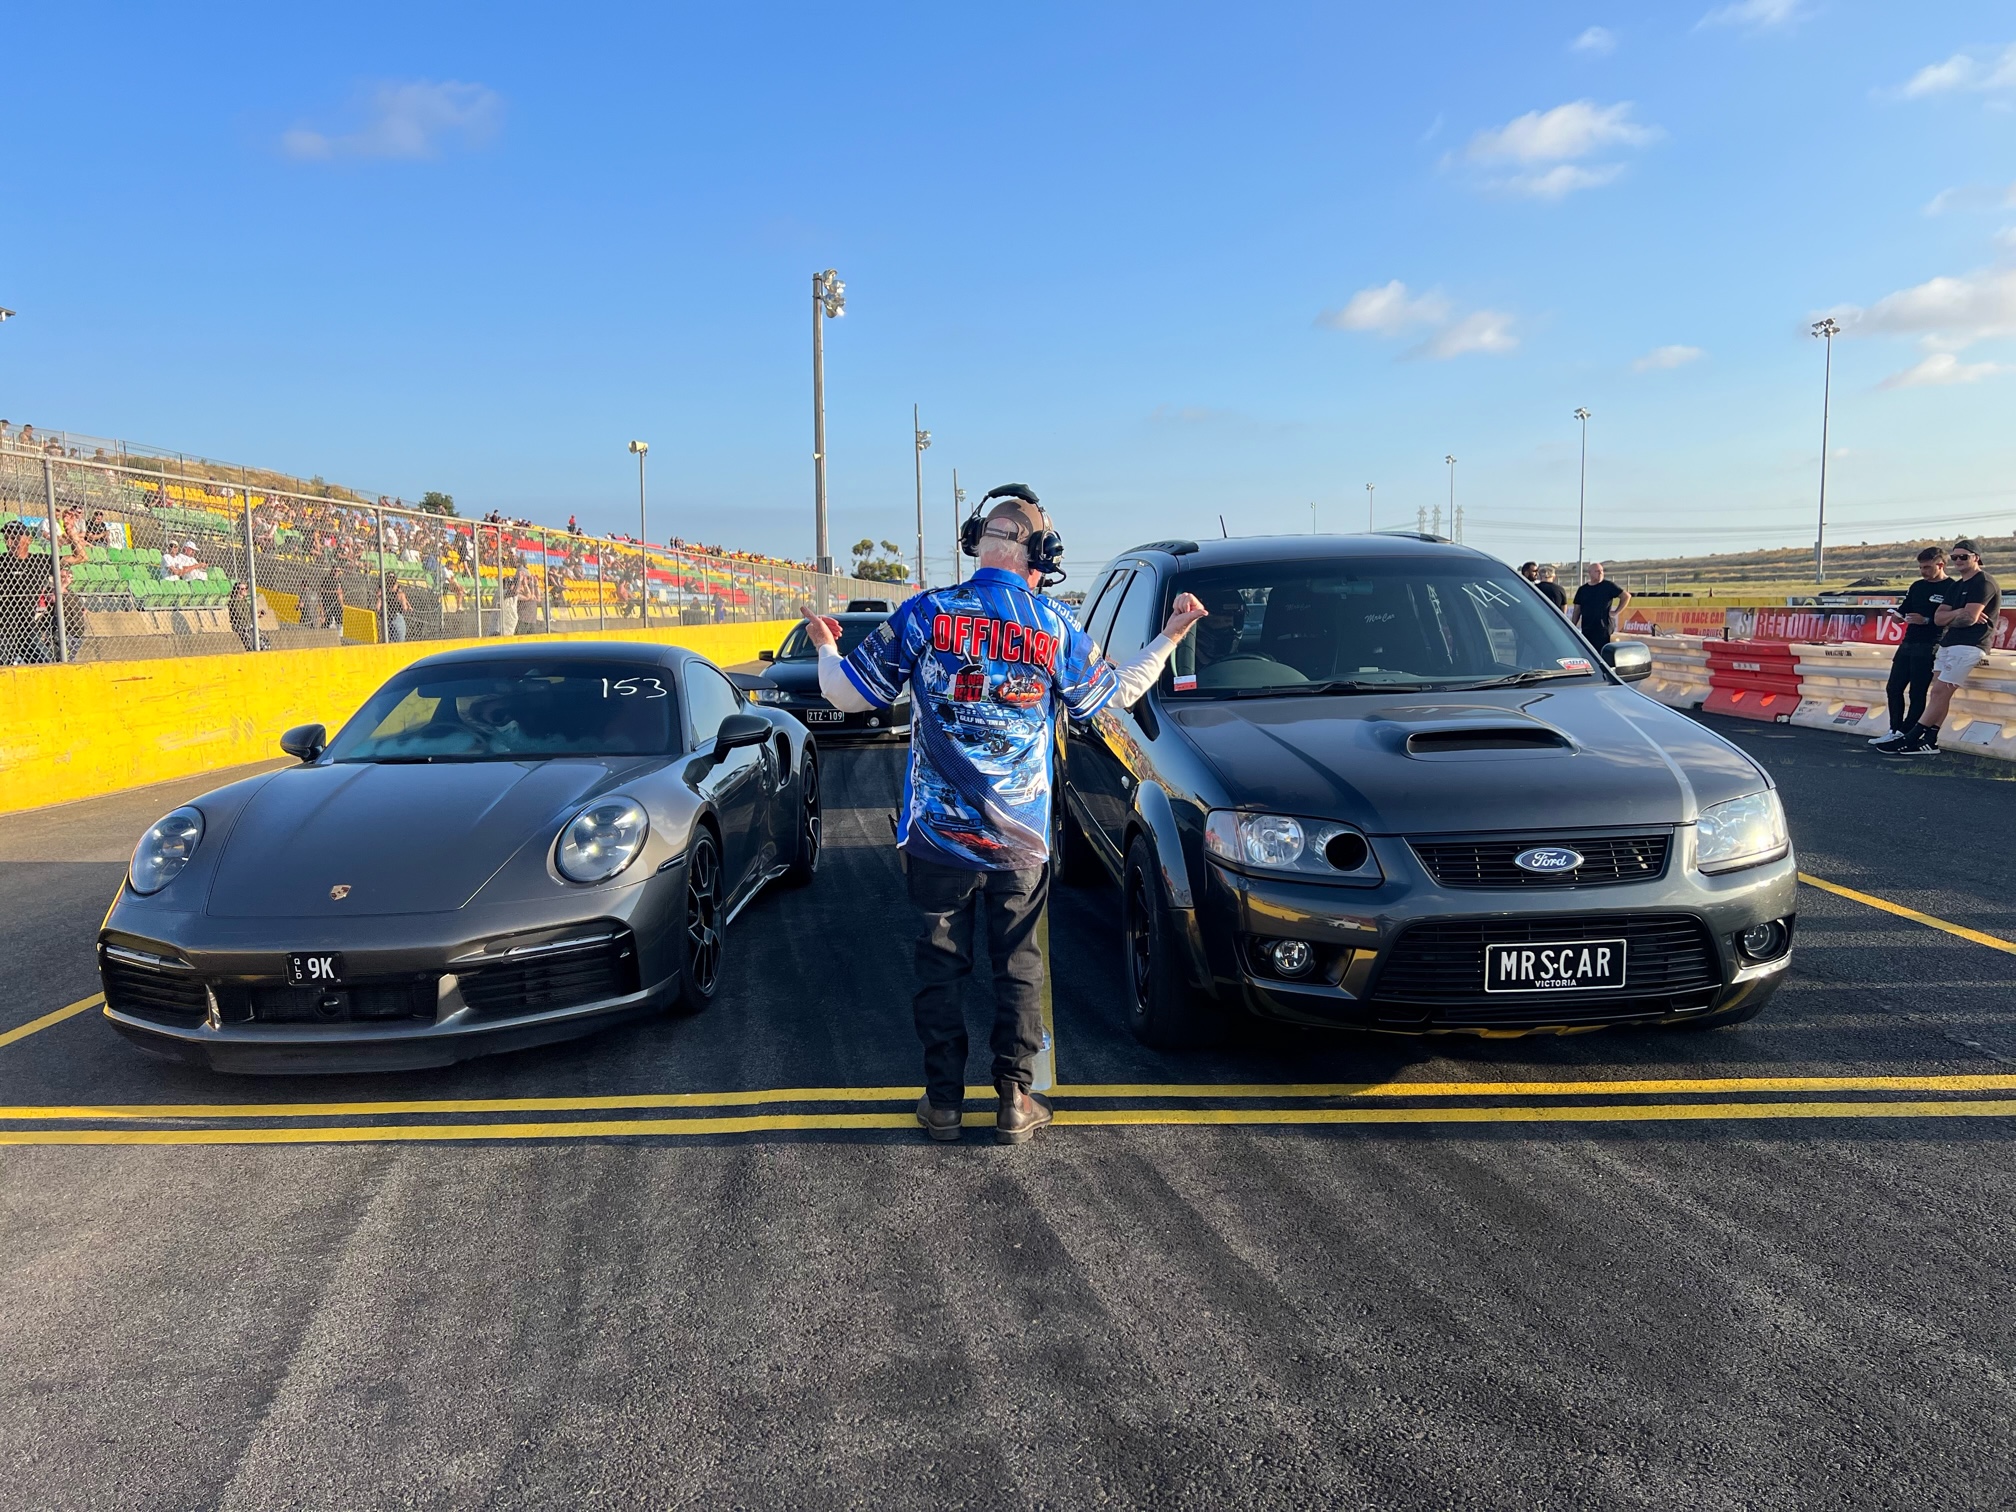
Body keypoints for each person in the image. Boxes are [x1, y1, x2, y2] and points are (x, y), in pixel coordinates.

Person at [802, 484, 1207, 1144]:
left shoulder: (926, 613)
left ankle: (942, 1104)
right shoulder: (1052, 625)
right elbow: (1115, 698)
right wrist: (1170, 635)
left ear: (977, 543)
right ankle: (1015, 1101)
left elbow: (844, 694)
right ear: (1036, 552)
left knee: (940, 967)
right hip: (1019, 839)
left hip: (935, 835)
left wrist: (825, 646)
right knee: (1018, 964)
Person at [1876, 540, 2001, 757]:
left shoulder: (1983, 582)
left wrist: (1952, 616)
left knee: (1936, 692)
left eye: (1963, 556)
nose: (1958, 561)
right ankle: (1928, 740)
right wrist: (1957, 613)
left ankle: (1911, 737)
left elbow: (1968, 619)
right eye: (1955, 557)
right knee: (1935, 694)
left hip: (1968, 644)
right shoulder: (1956, 585)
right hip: (1947, 644)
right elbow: (1939, 617)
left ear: (1976, 557)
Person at [1870, 547, 1952, 744]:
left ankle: (1908, 732)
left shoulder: (1951, 587)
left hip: (1931, 643)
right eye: (1921, 567)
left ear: (1940, 565)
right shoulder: (1917, 586)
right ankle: (1894, 729)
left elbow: (1950, 618)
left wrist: (1926, 620)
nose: (1923, 571)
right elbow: (1904, 609)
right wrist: (1897, 617)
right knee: (1893, 687)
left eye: (1927, 567)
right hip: (1908, 642)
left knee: (1917, 691)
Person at [0, 520, 53, 663]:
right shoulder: (2, 561)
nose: (10, 542)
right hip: (4, 629)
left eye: (15, 537)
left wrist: (72, 534)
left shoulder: (39, 561)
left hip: (28, 628)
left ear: (29, 539)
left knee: (46, 664)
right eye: (7, 538)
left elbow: (81, 557)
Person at [1570, 562, 1629, 652]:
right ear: (1590, 573)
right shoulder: (1583, 590)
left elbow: (1626, 596)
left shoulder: (1608, 586)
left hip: (1603, 628)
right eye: (1597, 571)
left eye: (1602, 571)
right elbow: (1577, 610)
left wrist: (1616, 611)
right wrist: (1572, 626)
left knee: (1601, 652)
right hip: (1587, 628)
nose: (1600, 573)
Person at [383, 573, 411, 643]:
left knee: (390, 640)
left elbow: (378, 606)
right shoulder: (399, 593)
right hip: (397, 617)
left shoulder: (384, 590)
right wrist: (406, 606)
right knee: (400, 640)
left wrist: (408, 604)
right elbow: (404, 608)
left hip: (387, 618)